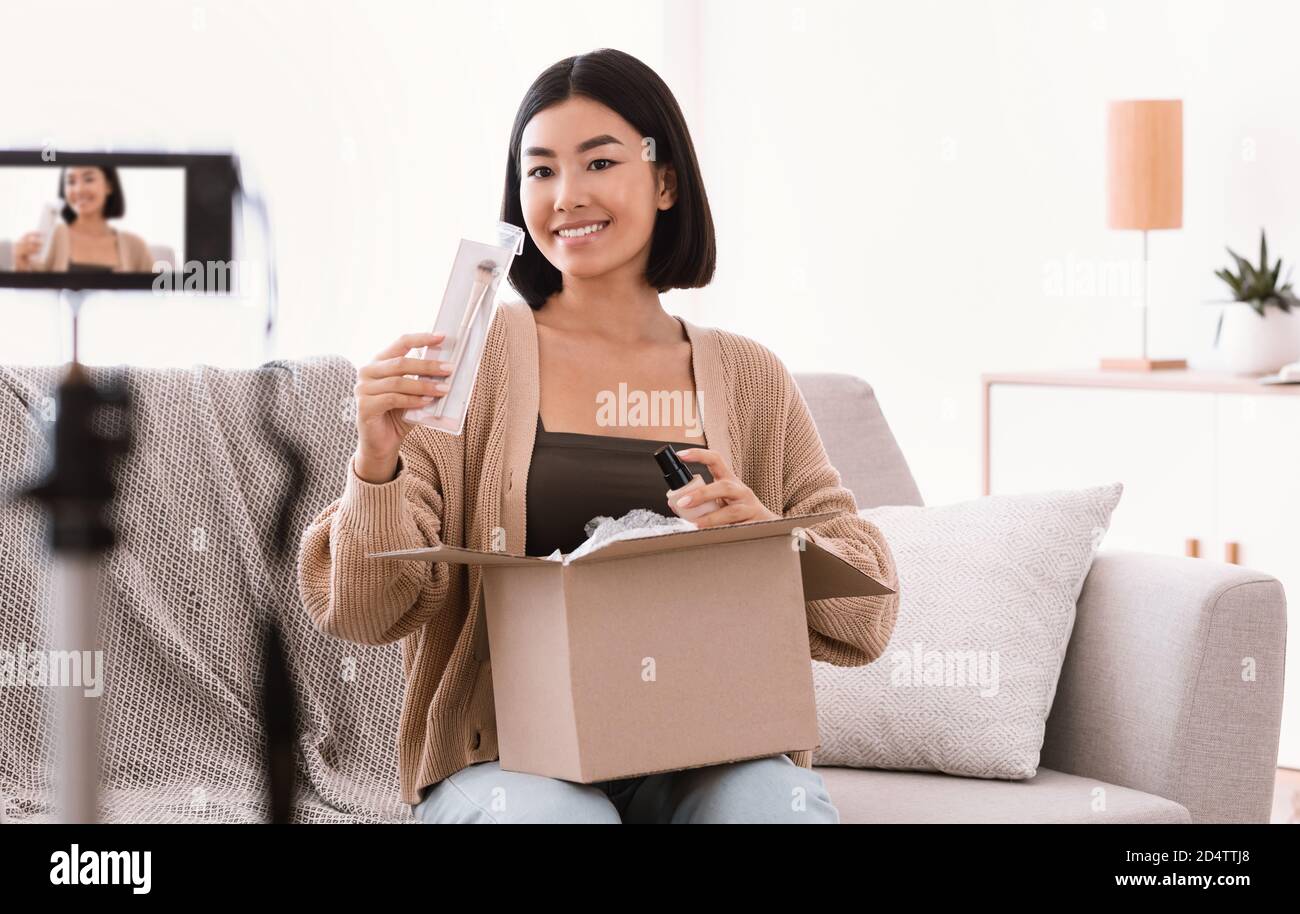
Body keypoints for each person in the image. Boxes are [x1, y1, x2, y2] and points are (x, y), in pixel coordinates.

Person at [298, 48, 900, 823]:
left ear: (665, 180)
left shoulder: (751, 377)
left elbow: (866, 617)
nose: (566, 195)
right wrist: (375, 461)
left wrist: (767, 537)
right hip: (506, 761)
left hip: (705, 748)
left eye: (599, 162)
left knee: (770, 808)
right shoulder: (469, 365)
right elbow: (365, 611)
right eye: (540, 170)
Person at [12, 165, 154, 272]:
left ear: (109, 186)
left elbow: (156, 299)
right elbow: (32, 299)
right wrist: (20, 266)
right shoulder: (52, 236)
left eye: (88, 179)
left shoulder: (135, 246)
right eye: (71, 182)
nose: (79, 190)